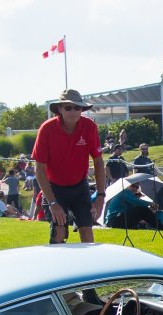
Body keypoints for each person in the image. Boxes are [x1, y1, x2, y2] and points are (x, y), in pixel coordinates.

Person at [31, 90, 107, 244]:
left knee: (86, 230)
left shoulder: (89, 127)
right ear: (59, 109)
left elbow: (99, 162)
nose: (73, 111)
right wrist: (53, 203)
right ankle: (58, 266)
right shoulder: (47, 129)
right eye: (68, 108)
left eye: (77, 108)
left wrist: (100, 196)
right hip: (55, 188)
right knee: (59, 231)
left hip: (80, 186)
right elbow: (39, 169)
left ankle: (89, 266)